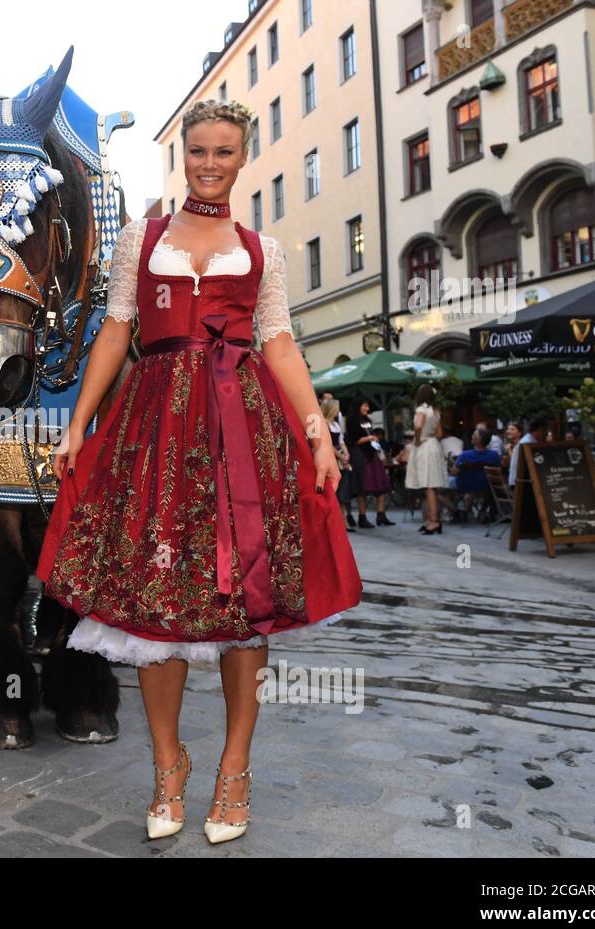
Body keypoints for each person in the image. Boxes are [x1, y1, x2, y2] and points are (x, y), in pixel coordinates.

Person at [35, 99, 361, 845]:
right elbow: (118, 329)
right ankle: (168, 764)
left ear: (242, 157)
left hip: (247, 429)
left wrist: (316, 433)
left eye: (224, 152)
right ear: (182, 155)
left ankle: (235, 769)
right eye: (199, 152)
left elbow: (278, 344)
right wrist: (79, 422)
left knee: (250, 600)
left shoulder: (263, 249)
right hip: (155, 426)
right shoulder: (140, 239)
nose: (210, 164)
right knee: (158, 600)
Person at [404, 384, 448, 534]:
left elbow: (417, 425)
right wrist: (429, 436)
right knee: (432, 485)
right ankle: (432, 518)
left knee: (428, 485)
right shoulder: (435, 411)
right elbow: (440, 433)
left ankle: (433, 520)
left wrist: (417, 439)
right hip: (434, 445)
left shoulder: (421, 409)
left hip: (424, 446)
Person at [346, 399, 394, 528]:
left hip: (372, 454)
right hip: (360, 455)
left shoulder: (368, 420)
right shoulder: (352, 421)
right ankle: (362, 517)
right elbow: (352, 440)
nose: (367, 408)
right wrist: (370, 438)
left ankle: (381, 514)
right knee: (362, 486)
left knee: (381, 483)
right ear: (358, 406)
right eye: (365, 405)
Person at [450, 428, 501, 522]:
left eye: (474, 434)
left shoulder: (465, 455)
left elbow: (454, 472)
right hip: (486, 486)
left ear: (478, 439)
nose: (472, 436)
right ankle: (467, 510)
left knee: (440, 489)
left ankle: (455, 511)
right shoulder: (494, 455)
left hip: (465, 485)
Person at [322, 398, 354, 533]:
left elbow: (341, 441)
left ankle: (343, 519)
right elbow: (328, 444)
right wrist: (341, 456)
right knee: (335, 490)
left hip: (340, 457)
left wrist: (346, 455)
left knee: (343, 491)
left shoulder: (336, 425)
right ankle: (338, 520)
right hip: (332, 457)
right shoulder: (324, 424)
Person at [509, 418, 549, 488]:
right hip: (520, 485)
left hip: (522, 481)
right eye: (546, 430)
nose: (547, 433)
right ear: (541, 429)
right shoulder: (527, 443)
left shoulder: (530, 441)